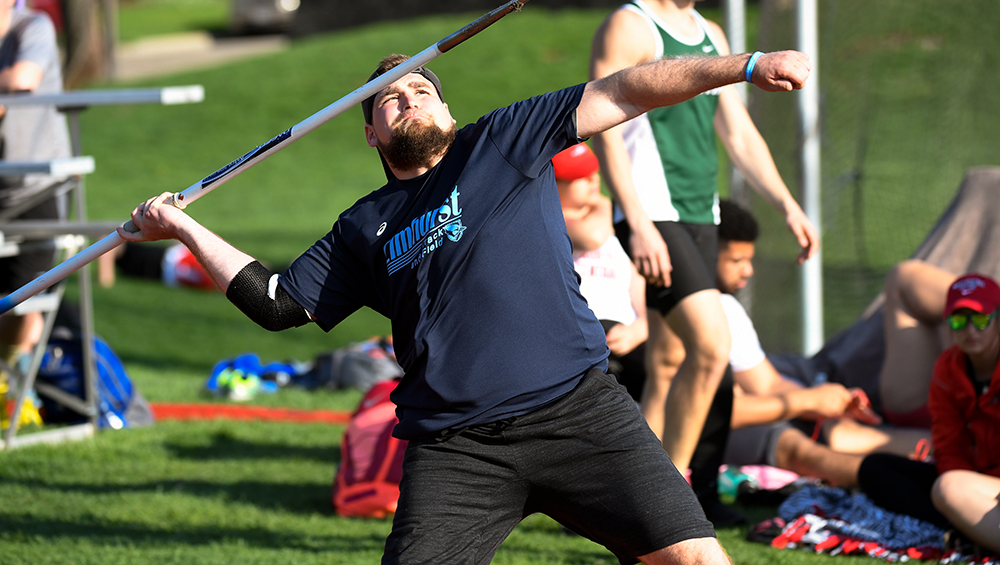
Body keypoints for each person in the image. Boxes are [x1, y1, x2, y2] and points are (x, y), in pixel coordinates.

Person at [121, 48, 810, 563]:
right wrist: (182, 225)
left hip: (580, 413)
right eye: (388, 98)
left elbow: (627, 88)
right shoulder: (364, 226)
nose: (409, 97)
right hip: (458, 447)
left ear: (447, 110)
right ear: (370, 132)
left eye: (422, 87)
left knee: (698, 558)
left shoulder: (505, 140)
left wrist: (746, 65)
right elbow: (276, 303)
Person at [588, 0, 820, 509]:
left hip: (700, 214)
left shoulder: (708, 32)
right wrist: (638, 222)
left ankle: (628, 503)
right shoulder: (631, 24)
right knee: (714, 348)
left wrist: (786, 204)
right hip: (652, 215)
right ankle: (669, 504)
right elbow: (599, 122)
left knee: (669, 361)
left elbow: (735, 130)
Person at [715, 199, 928, 488]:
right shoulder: (674, 313)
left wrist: (826, 401)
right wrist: (808, 400)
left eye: (749, 260)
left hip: (796, 390)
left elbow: (768, 384)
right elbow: (709, 410)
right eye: (737, 261)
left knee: (838, 431)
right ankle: (911, 490)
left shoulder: (726, 306)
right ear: (704, 254)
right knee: (798, 447)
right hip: (720, 431)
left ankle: (965, 459)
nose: (748, 271)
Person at [858, 273, 1000, 555]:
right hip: (975, 480)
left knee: (950, 487)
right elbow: (948, 445)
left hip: (985, 485)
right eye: (959, 320)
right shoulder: (947, 369)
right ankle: (966, 526)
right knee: (876, 469)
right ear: (948, 325)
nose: (970, 329)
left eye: (981, 319)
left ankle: (969, 527)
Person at [0, 1, 71, 375]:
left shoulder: (32, 27)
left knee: (20, 305)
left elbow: (22, 81)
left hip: (37, 190)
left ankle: (13, 383)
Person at [554, 142, 647, 402]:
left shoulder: (616, 228)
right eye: (579, 177)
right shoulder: (552, 221)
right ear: (555, 183)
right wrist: (607, 203)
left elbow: (639, 285)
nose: (593, 179)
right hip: (581, 342)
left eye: (594, 171)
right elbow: (592, 236)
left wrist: (640, 329)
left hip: (627, 339)